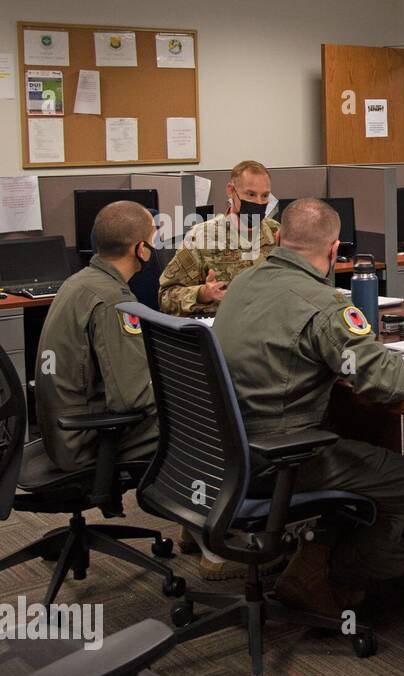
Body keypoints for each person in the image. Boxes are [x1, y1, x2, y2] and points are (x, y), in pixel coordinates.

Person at [213, 198, 404, 613]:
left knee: (355, 439)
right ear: (334, 251)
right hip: (276, 458)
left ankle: (310, 557)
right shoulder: (324, 304)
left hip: (221, 451)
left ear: (278, 238)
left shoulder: (244, 281)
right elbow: (385, 383)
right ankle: (332, 577)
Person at [35, 201, 159, 473]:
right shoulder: (113, 299)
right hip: (85, 441)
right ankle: (194, 507)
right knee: (202, 413)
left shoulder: (79, 282)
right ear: (140, 249)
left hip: (60, 430)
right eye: (152, 239)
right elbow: (133, 398)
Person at [159, 160, 278, 318]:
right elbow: (165, 297)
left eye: (264, 196)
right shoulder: (202, 238)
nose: (258, 203)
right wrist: (202, 294)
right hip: (225, 329)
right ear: (231, 191)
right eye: (250, 194)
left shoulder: (276, 232)